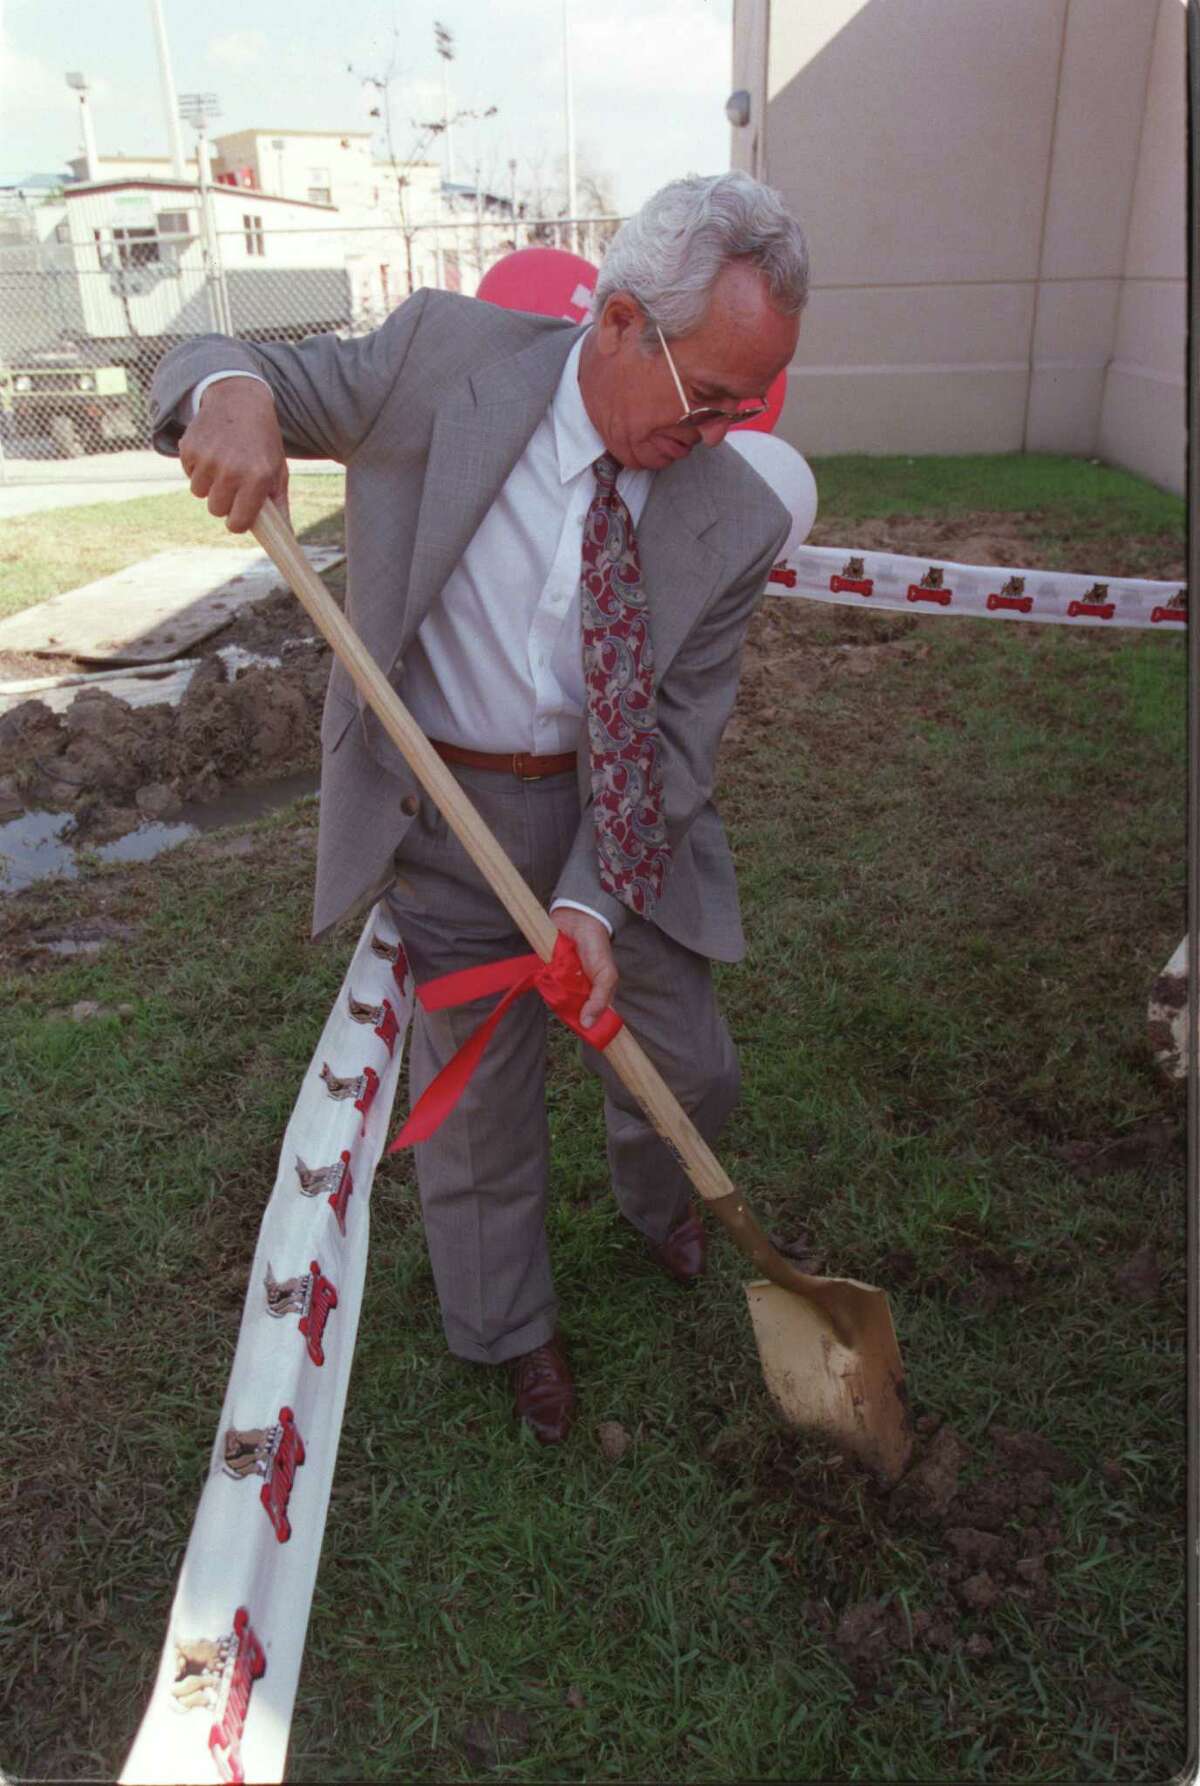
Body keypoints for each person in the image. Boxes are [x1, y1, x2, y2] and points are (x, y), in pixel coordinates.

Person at [151, 171, 809, 1445]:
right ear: (618, 322)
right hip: (441, 807)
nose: (724, 429)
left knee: (689, 1065)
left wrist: (588, 902)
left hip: (615, 820)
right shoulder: (442, 361)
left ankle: (658, 1196)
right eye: (709, 393)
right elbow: (217, 358)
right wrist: (225, 395)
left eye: (751, 402)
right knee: (480, 1106)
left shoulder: (733, 515)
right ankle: (515, 1329)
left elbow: (676, 743)